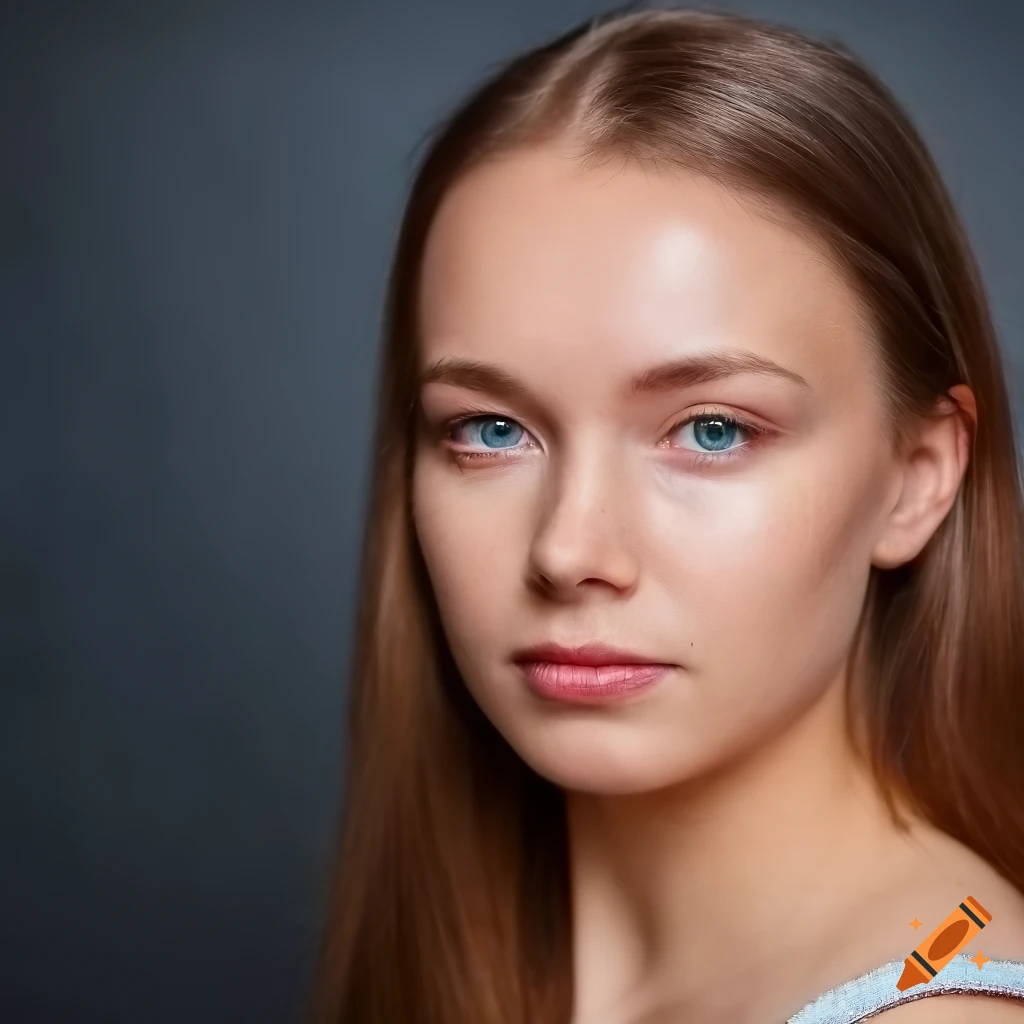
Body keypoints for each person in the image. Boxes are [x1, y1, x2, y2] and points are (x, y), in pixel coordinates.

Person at [309, 5, 1024, 1022]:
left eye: (713, 430)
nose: (568, 550)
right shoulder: (478, 959)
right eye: (493, 430)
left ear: (915, 476)